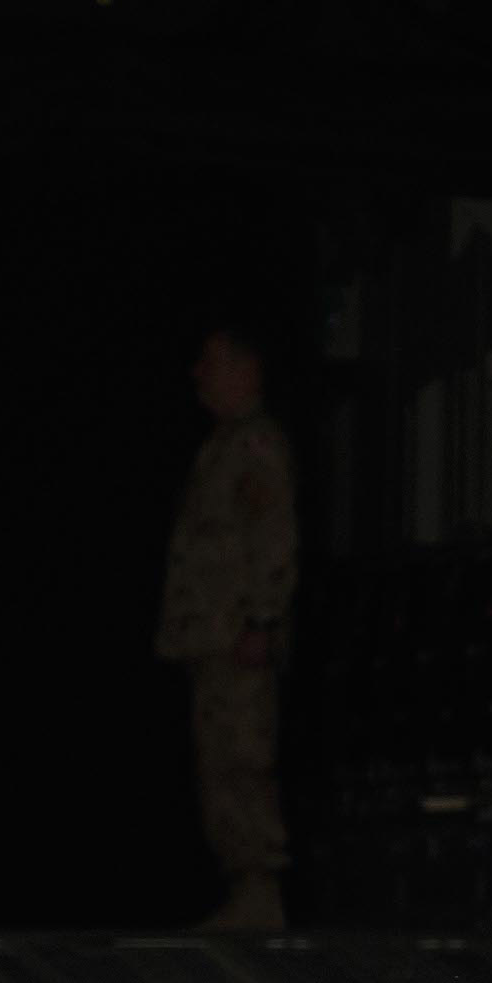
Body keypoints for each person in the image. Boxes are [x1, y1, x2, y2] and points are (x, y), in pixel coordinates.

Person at [154, 327, 295, 932]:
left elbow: (275, 538)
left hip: (238, 634)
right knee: (218, 763)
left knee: (243, 757)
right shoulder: (223, 445)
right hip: (211, 633)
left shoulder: (257, 445)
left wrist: (262, 619)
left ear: (244, 367)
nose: (199, 376)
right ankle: (244, 890)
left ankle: (261, 889)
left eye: (210, 363)